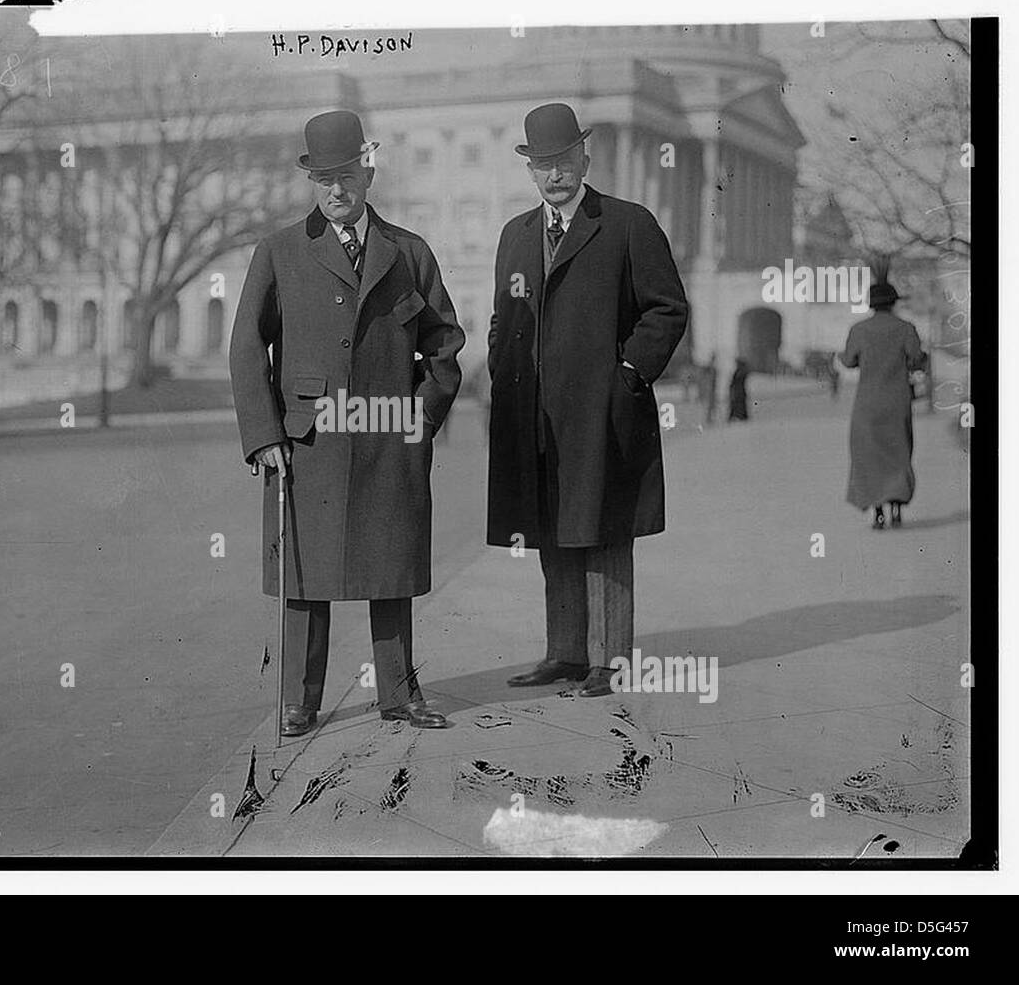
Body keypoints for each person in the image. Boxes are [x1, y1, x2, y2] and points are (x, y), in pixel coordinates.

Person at [229, 110, 465, 735]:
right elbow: (248, 347)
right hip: (308, 443)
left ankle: (400, 695)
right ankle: (298, 701)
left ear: (369, 171)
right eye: (325, 179)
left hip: (391, 437)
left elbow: (444, 346)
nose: (338, 191)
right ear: (312, 181)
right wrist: (264, 437)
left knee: (391, 570)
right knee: (305, 577)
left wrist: (420, 420)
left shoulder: (409, 253)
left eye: (349, 175)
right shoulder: (278, 252)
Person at [486, 103, 688, 696]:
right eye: (543, 165)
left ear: (585, 158)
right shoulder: (516, 235)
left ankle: (610, 661)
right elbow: (505, 318)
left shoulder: (628, 223)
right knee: (554, 531)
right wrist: (505, 370)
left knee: (604, 531)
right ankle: (566, 653)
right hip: (536, 417)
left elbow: (667, 309)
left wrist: (627, 373)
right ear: (531, 170)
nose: (555, 175)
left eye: (564, 161)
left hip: (604, 414)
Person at [840, 274, 927, 529]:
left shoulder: (859, 329)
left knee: (868, 455)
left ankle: (877, 511)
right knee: (898, 453)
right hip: (897, 401)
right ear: (893, 303)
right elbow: (916, 359)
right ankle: (897, 509)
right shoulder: (906, 328)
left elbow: (848, 361)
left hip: (867, 403)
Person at [727, 357, 750, 421]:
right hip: (737, 391)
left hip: (739, 391)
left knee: (739, 404)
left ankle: (740, 416)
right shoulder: (738, 371)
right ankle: (736, 416)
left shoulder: (741, 371)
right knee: (736, 404)